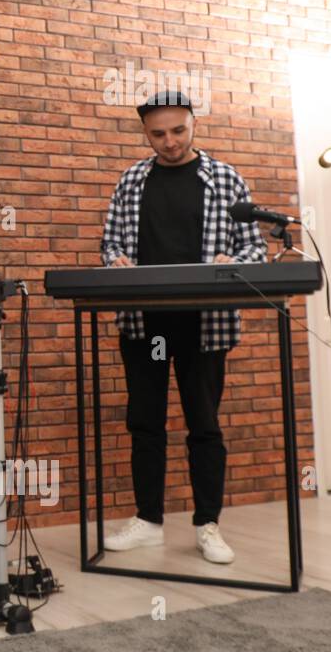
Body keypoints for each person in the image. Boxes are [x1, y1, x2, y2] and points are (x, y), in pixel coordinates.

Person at [100, 91, 267, 565]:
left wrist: (231, 260)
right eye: (158, 134)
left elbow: (254, 249)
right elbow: (109, 241)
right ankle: (149, 521)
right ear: (145, 134)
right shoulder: (132, 180)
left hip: (205, 326)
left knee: (204, 424)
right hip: (148, 328)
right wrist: (116, 259)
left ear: (193, 125)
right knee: (146, 422)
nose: (170, 142)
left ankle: (207, 525)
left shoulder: (225, 178)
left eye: (178, 131)